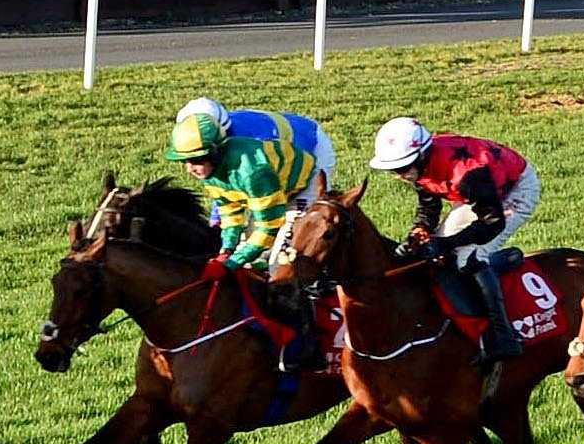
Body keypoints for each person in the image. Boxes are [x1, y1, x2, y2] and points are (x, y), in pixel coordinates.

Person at [369, 116, 538, 345]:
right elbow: (429, 206)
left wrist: (448, 243)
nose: (400, 175)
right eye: (394, 170)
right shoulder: (421, 163)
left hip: (514, 193)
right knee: (430, 254)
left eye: (403, 168)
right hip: (478, 196)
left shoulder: (468, 174)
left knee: (467, 257)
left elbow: (492, 223)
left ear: (421, 156)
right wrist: (418, 232)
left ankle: (502, 333)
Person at [171, 95, 332, 275]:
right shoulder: (212, 163)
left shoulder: (251, 168)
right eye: (185, 161)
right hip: (271, 182)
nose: (189, 169)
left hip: (309, 160)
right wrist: (226, 249)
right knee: (249, 254)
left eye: (195, 160)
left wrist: (231, 264)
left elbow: (269, 226)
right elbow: (230, 208)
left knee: (282, 262)